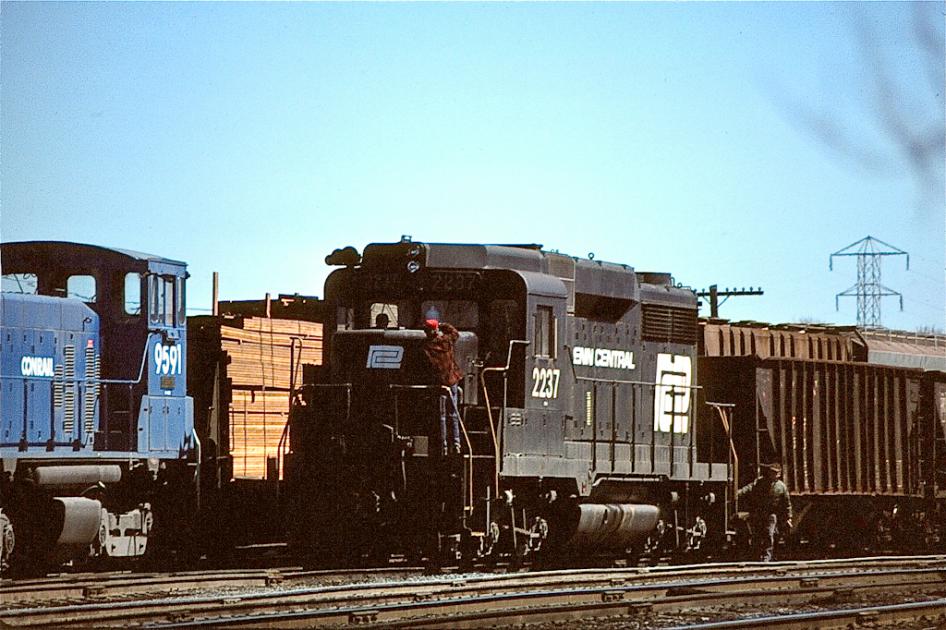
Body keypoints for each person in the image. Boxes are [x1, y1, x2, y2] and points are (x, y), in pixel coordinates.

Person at [737, 462, 793, 561]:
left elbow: (787, 503)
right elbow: (749, 488)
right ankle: (755, 555)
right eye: (772, 472)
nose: (773, 474)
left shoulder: (781, 487)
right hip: (759, 512)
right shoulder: (761, 482)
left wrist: (789, 517)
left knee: (769, 534)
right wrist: (738, 493)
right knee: (757, 535)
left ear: (779, 474)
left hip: (771, 514)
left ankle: (767, 557)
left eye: (775, 473)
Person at [422, 318, 462, 456]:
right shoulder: (447, 341)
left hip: (441, 383)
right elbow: (455, 333)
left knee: (442, 415)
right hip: (453, 380)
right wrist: (442, 325)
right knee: (454, 413)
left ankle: (443, 444)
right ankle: (457, 442)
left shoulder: (427, 347)